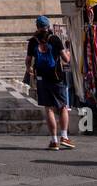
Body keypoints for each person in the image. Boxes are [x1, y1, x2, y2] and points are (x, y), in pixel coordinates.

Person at [26, 15, 74, 151]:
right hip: (56, 77)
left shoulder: (33, 41)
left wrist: (28, 69)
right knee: (63, 106)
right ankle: (64, 136)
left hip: (41, 78)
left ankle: (54, 141)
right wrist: (68, 53)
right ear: (49, 26)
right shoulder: (55, 39)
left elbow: (28, 60)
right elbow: (65, 59)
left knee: (49, 108)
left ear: (37, 26)